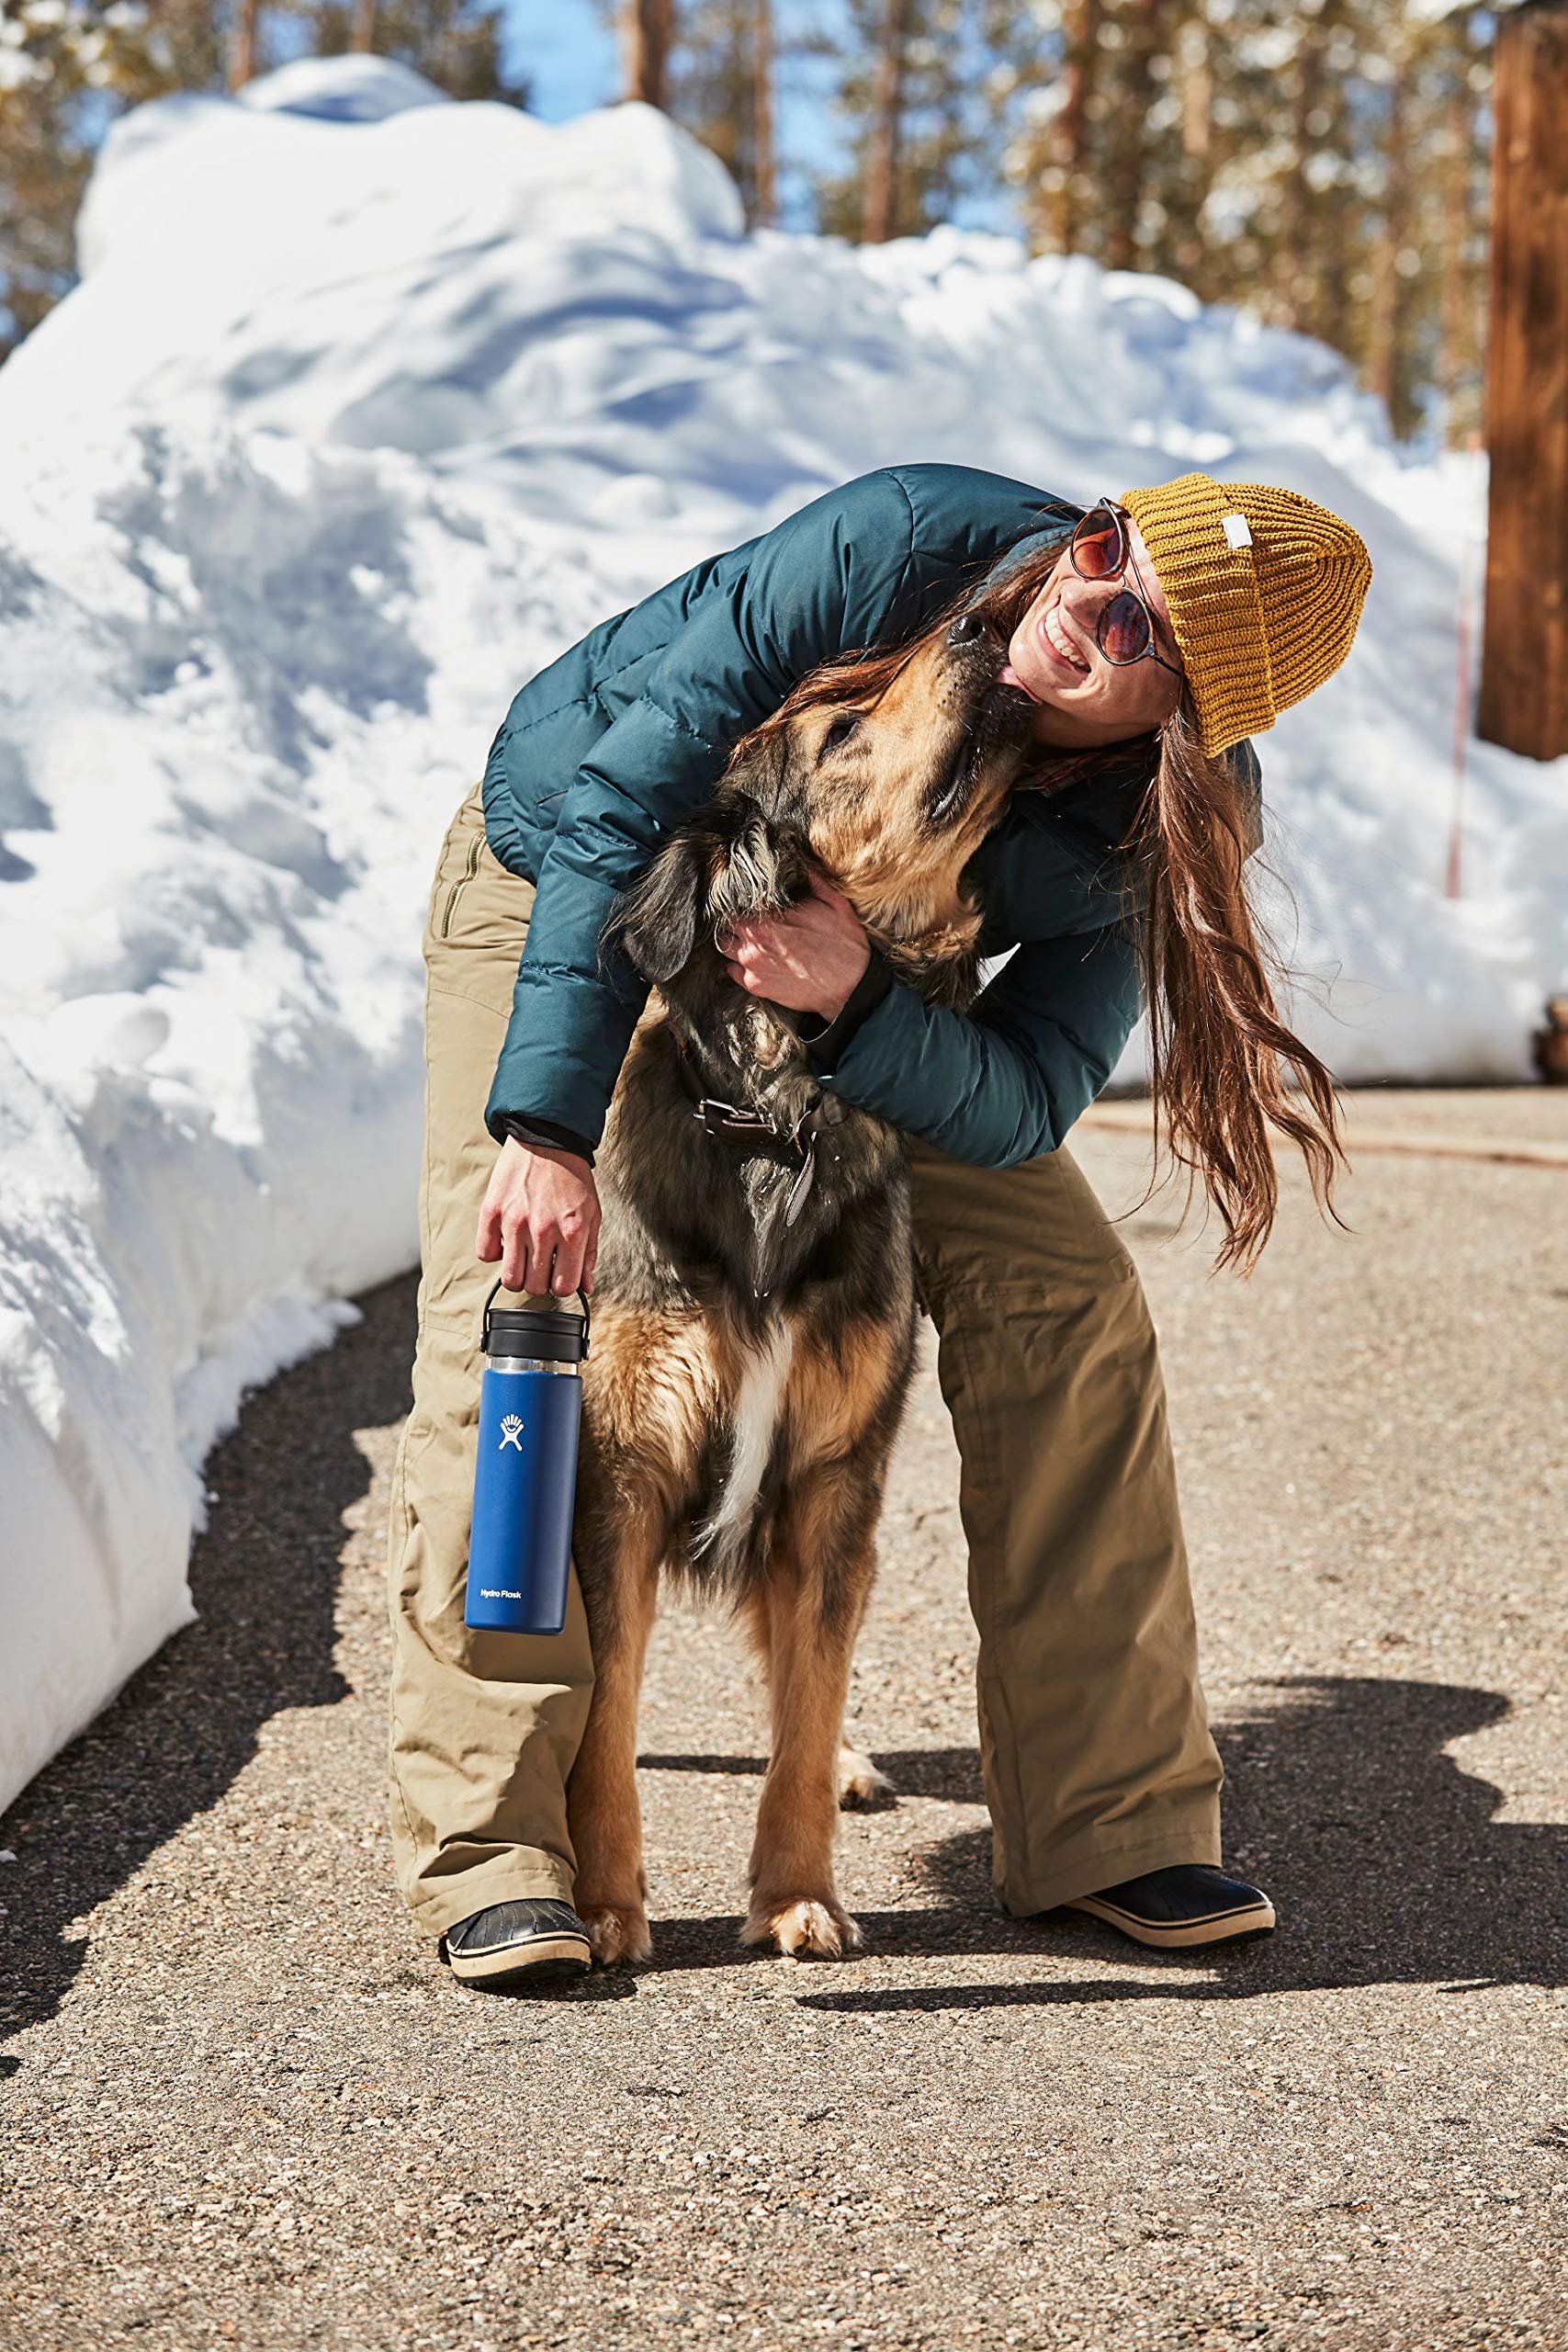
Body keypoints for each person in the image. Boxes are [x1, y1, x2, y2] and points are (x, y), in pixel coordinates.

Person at [385, 463, 1371, 1988]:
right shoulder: (902, 546)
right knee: (511, 1321)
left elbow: (1035, 1085)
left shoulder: (1165, 821)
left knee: (1070, 1301)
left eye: (1144, 633)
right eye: (1111, 553)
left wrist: (848, 998)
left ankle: (1112, 1820)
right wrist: (546, 1133)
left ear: (1192, 720)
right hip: (575, 875)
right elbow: (629, 797)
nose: (1088, 603)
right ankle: (501, 1841)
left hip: (856, 968)